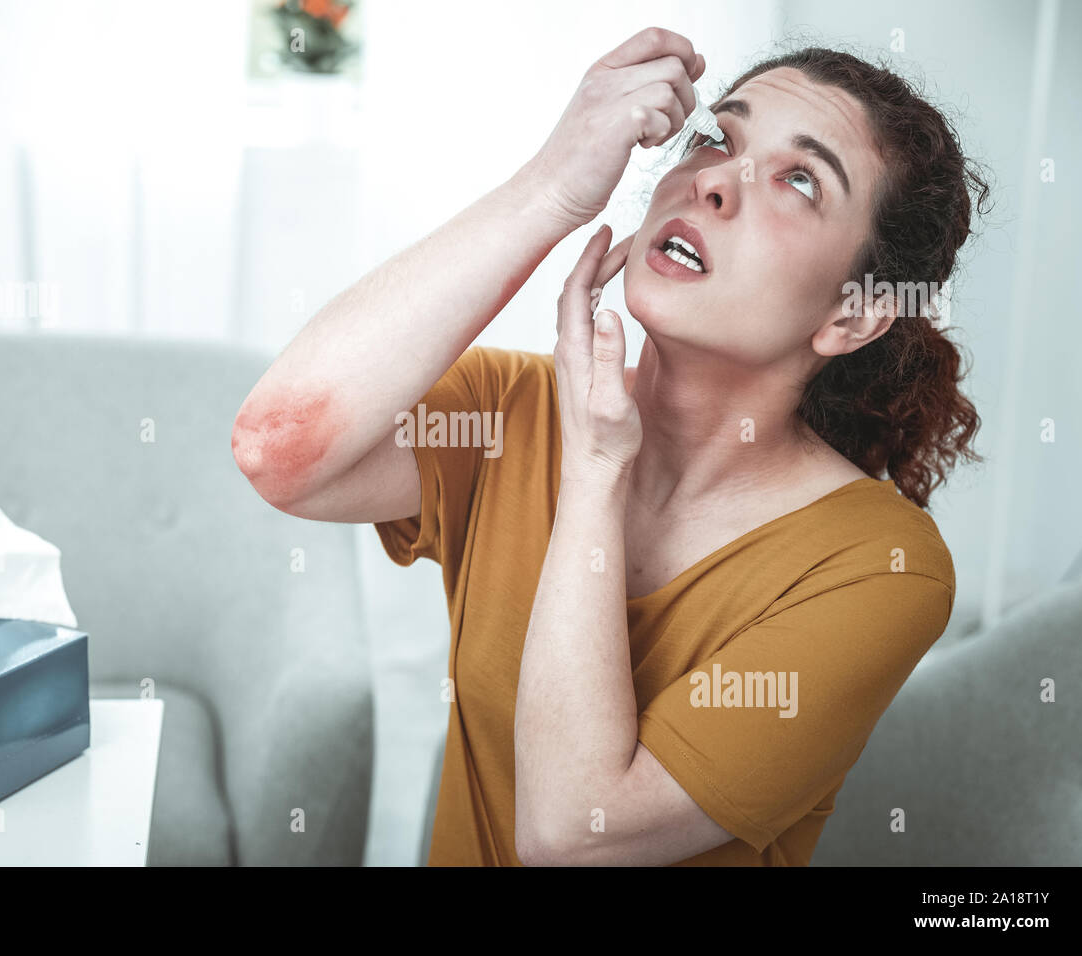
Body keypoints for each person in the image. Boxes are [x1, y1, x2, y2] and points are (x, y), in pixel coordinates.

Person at [233, 26, 987, 865]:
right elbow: (279, 450)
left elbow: (573, 835)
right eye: (717, 139)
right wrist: (553, 188)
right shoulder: (510, 412)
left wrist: (595, 472)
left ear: (852, 314)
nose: (713, 183)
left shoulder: (882, 567)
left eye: (799, 180)